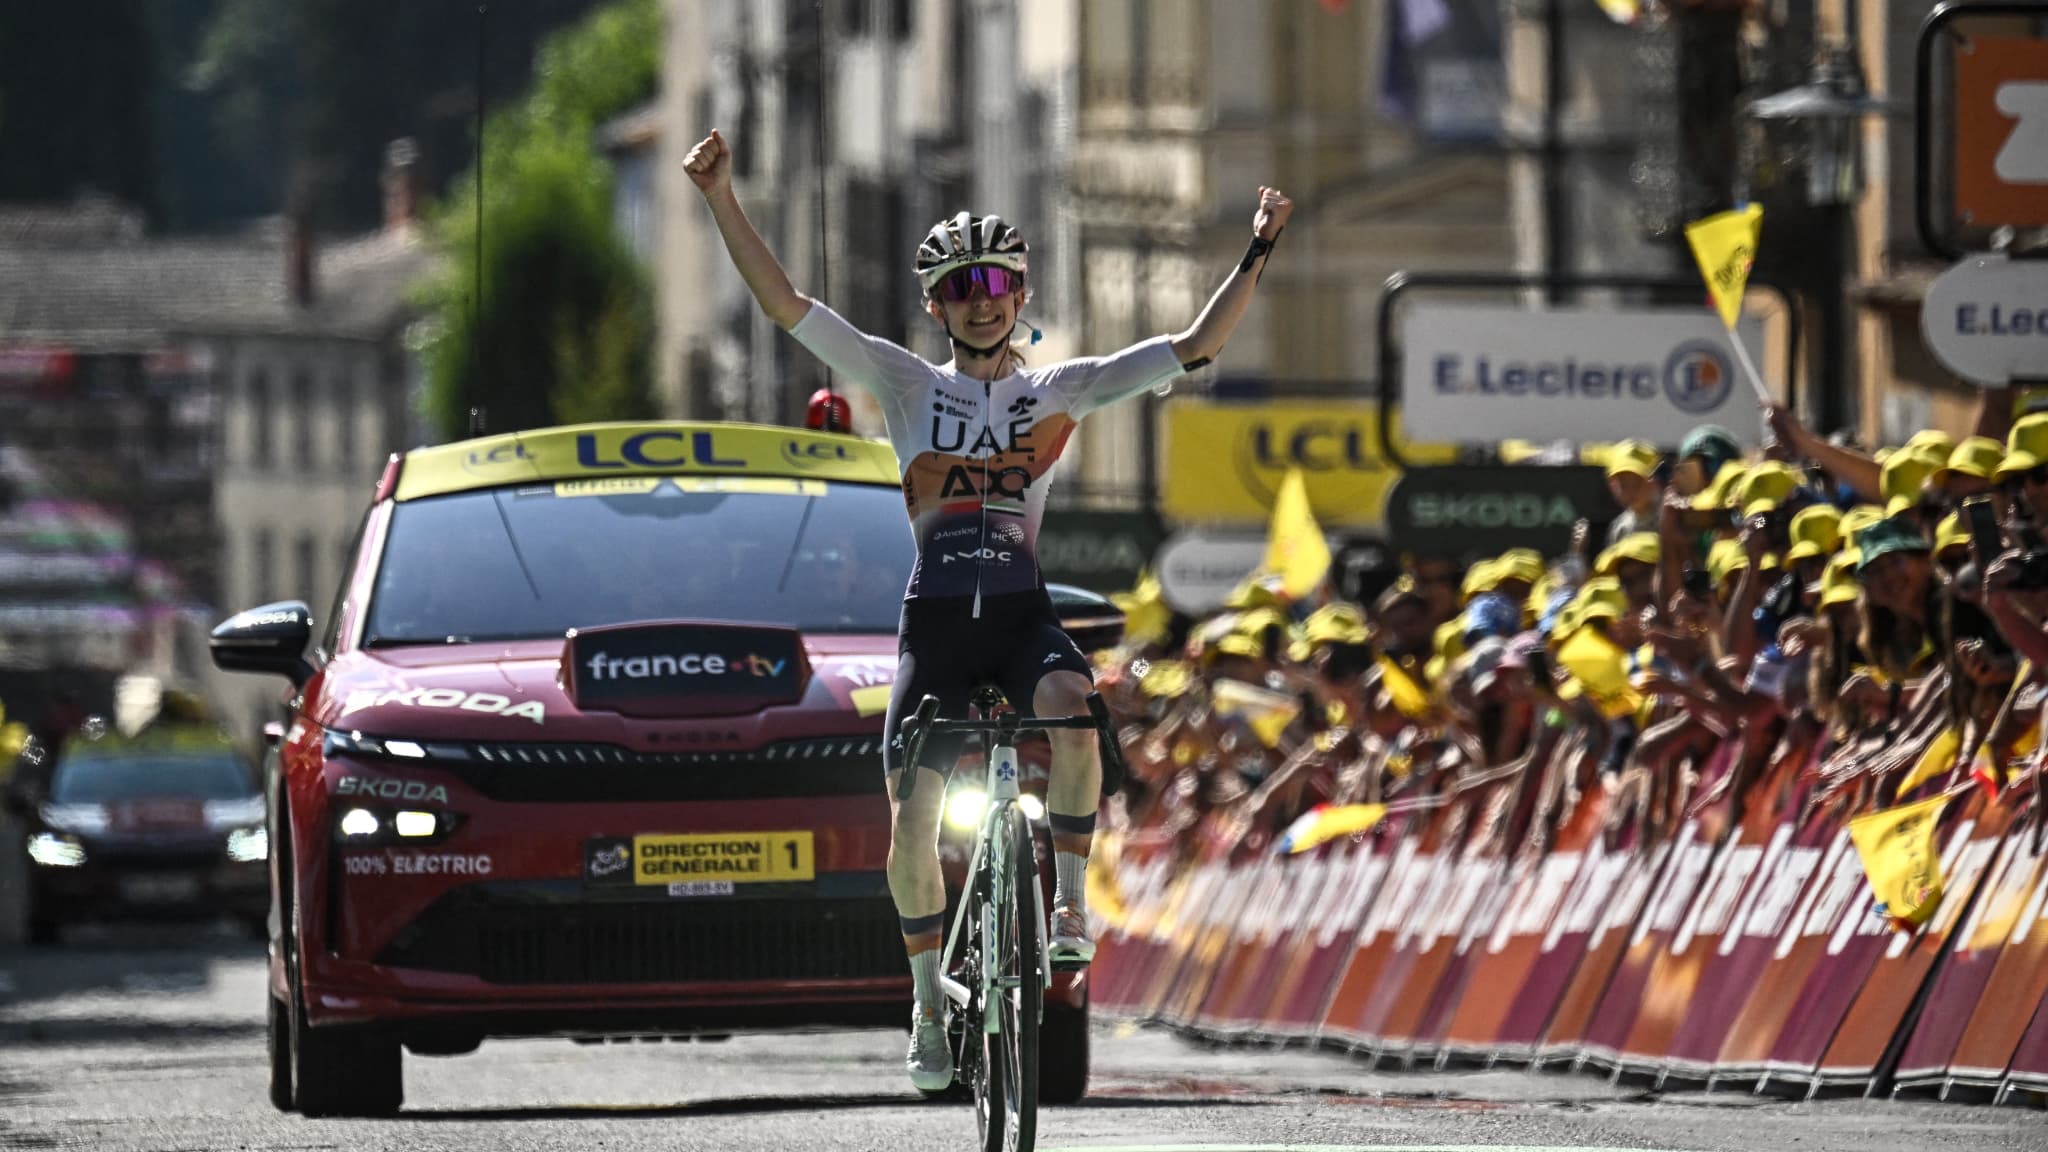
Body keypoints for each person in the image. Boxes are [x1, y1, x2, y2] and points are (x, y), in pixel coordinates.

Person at [683, 127, 1294, 1090]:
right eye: (961, 290)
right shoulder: (904, 381)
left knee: (1079, 717)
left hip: (1020, 613)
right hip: (934, 621)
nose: (980, 303)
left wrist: (1257, 246)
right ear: (937, 306)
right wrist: (722, 198)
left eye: (996, 286)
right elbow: (788, 306)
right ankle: (927, 1003)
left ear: (1020, 298)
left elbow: (1196, 345)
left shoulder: (1064, 390)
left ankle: (1067, 913)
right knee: (911, 817)